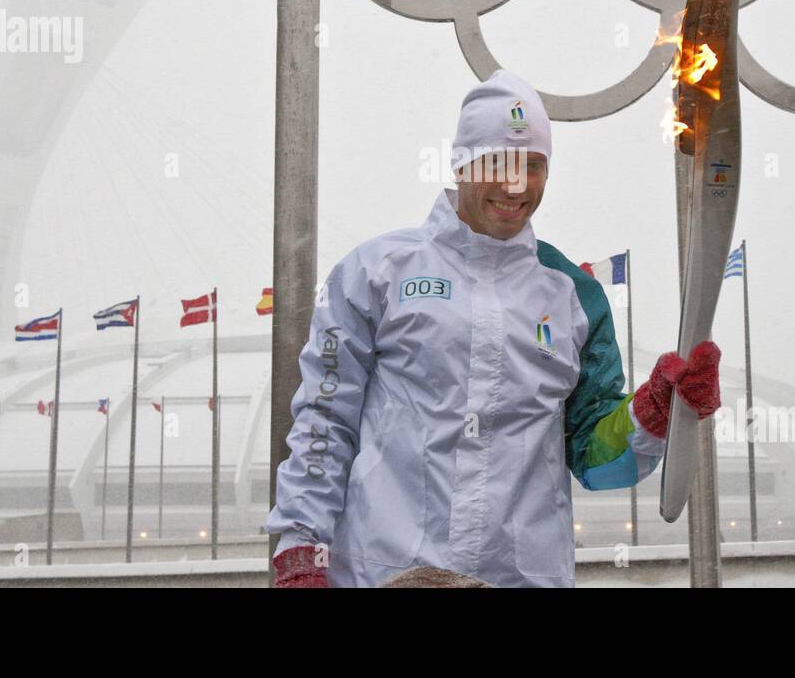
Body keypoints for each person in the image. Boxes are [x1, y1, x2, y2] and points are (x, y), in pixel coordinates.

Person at [265, 69, 721, 587]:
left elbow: (596, 462)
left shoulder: (572, 294)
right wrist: (301, 546)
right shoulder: (375, 273)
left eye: (533, 166)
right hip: (386, 573)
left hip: (522, 577)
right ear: (461, 164)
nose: (516, 185)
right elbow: (325, 421)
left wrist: (652, 412)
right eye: (498, 163)